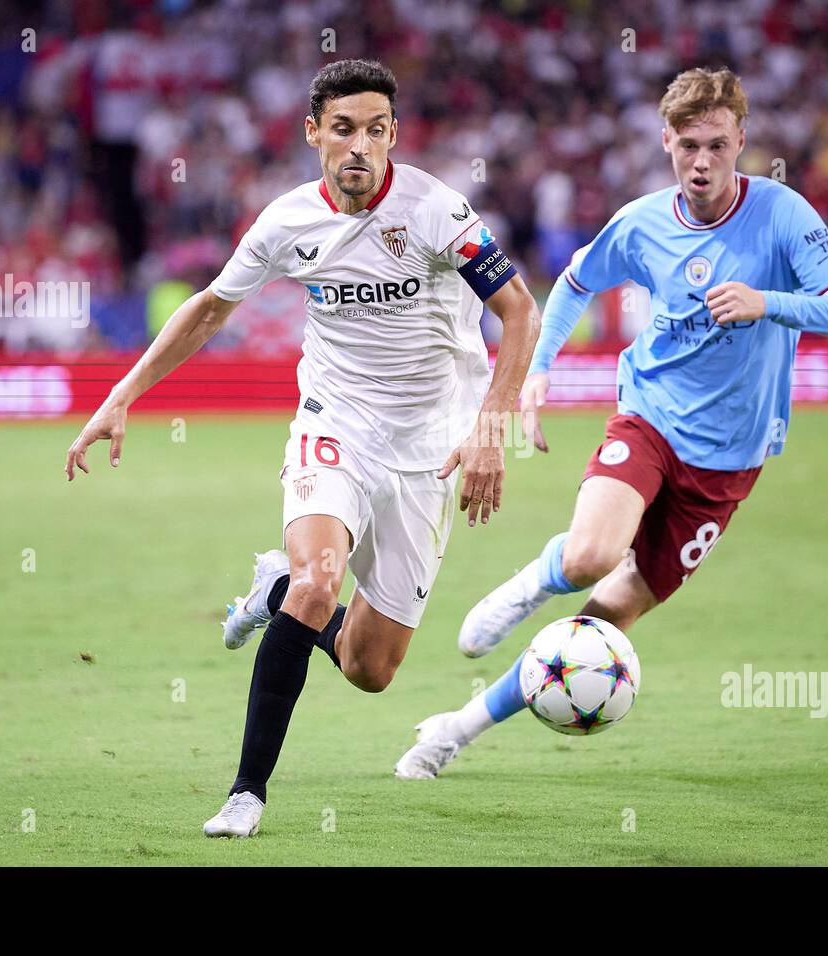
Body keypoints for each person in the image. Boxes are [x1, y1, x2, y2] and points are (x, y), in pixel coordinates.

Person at [64, 59, 540, 835]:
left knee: (369, 668)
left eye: (376, 130)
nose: (361, 146)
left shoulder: (439, 212)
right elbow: (212, 308)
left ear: (393, 135)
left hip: (429, 443)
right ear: (314, 131)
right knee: (319, 585)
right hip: (336, 423)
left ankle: (273, 587)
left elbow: (518, 311)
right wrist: (123, 395)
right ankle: (245, 793)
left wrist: (490, 428)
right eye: (344, 128)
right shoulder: (286, 222)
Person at [394, 66, 828, 780]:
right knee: (589, 556)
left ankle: (453, 732)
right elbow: (576, 283)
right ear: (666, 143)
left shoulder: (783, 215)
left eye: (716, 144)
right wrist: (539, 371)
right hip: (651, 417)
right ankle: (534, 580)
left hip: (729, 463)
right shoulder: (642, 221)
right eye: (687, 146)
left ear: (741, 140)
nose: (702, 161)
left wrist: (768, 301)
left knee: (600, 627)